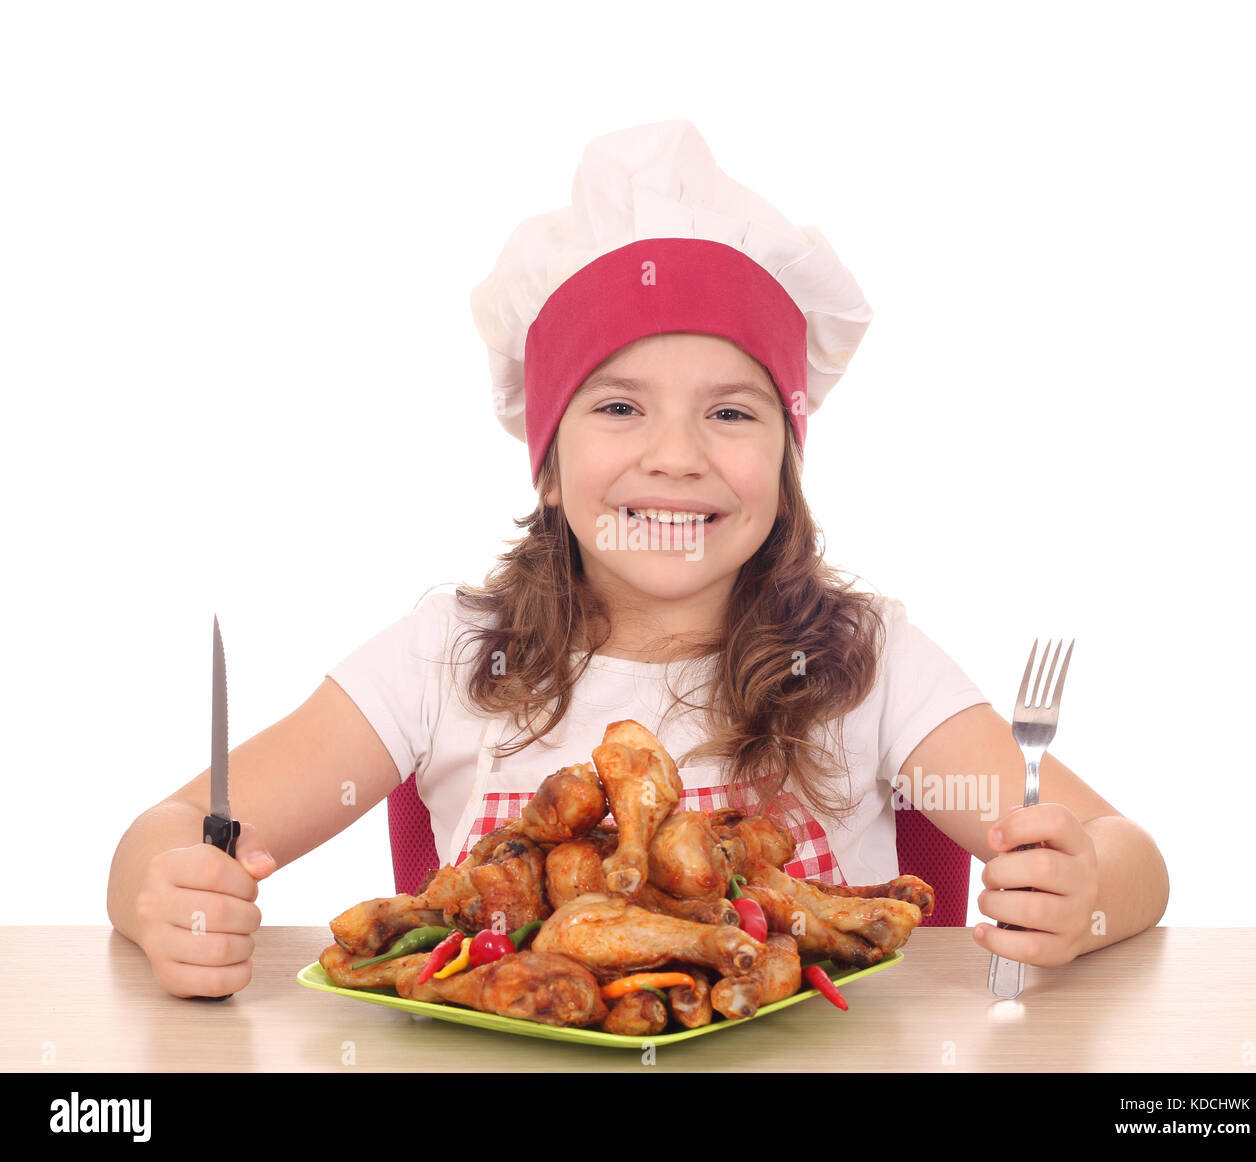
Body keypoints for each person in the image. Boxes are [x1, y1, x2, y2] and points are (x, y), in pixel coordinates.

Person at [107, 120, 1169, 999]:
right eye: (619, 406)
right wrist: (165, 894)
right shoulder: (446, 657)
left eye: (730, 411)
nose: (676, 454)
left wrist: (1085, 895)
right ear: (550, 468)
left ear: (787, 458)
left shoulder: (869, 663)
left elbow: (1125, 850)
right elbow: (169, 828)